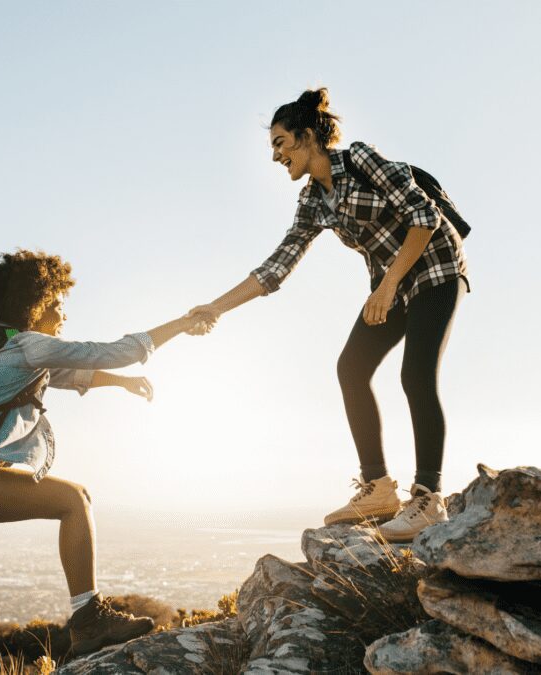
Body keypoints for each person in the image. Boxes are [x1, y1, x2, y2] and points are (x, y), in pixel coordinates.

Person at [0, 249, 210, 673]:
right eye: (59, 304)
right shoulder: (29, 347)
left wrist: (121, 383)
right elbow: (114, 351)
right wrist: (181, 324)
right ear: (39, 303)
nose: (64, 315)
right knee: (74, 499)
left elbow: (73, 375)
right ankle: (88, 618)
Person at [188, 88, 468, 543]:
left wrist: (388, 284)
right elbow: (275, 268)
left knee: (415, 375)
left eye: (280, 143)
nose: (276, 155)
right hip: (391, 287)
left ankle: (428, 498)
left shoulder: (361, 159)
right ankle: (378, 489)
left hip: (435, 268)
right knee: (351, 368)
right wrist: (214, 308)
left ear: (306, 136)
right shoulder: (313, 202)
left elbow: (425, 216)